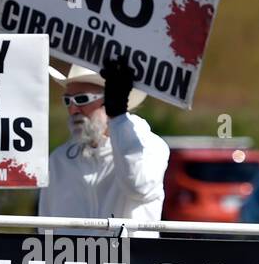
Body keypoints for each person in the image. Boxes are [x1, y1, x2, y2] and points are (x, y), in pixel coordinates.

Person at [38, 55, 169, 233]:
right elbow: (46, 228)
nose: (73, 109)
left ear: (112, 97)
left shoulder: (150, 145)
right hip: (71, 260)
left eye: (82, 99)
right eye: (67, 100)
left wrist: (118, 119)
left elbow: (138, 187)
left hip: (129, 260)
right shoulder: (58, 159)